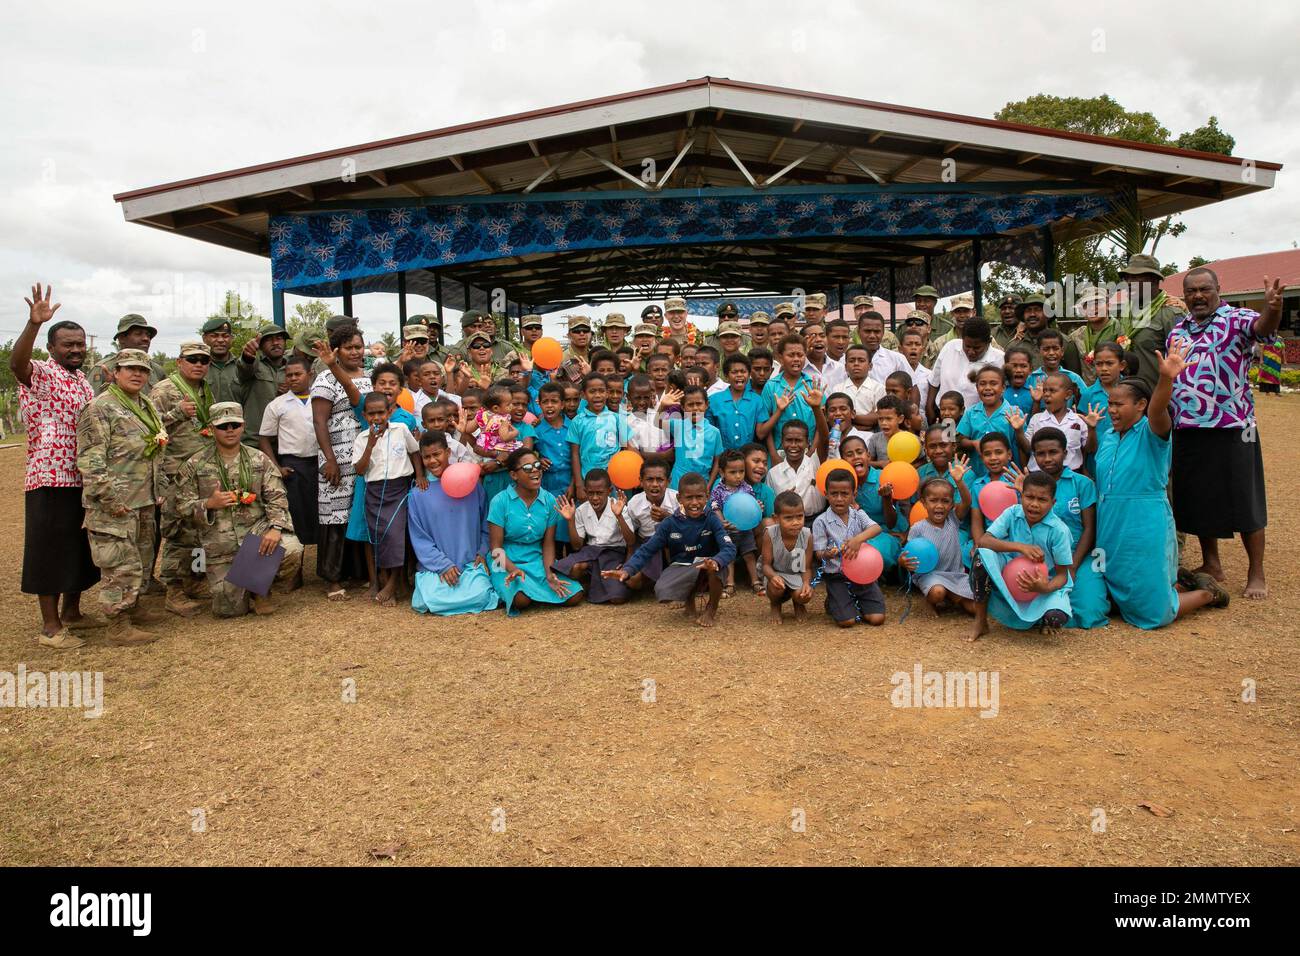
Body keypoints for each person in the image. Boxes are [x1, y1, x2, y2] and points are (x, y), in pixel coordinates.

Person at [1094, 342, 1229, 628]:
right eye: (1110, 404)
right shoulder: (1108, 436)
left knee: (1152, 614)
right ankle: (1173, 586)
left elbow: (1158, 409)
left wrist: (1166, 378)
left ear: (1140, 405)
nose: (1112, 410)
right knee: (1116, 597)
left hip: (1144, 524)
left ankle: (1206, 593)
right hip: (1111, 526)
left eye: (1119, 405)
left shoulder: (1152, 431)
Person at [1169, 269, 1282, 600]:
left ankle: (1256, 572)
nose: (1198, 295)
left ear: (1219, 289)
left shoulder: (1237, 318)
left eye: (1205, 289)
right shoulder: (1178, 329)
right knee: (1199, 498)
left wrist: (1272, 308)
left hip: (1233, 426)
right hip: (1188, 427)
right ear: (1185, 294)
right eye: (1192, 291)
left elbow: (1264, 329)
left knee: (1244, 498)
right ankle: (1212, 563)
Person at [12, 283, 101, 647]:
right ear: (52, 348)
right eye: (68, 344)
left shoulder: (83, 381)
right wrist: (33, 324)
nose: (76, 349)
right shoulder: (41, 374)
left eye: (80, 343)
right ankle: (51, 628)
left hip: (84, 476)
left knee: (80, 546)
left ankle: (73, 612)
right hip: (50, 477)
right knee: (49, 550)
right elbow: (16, 364)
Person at [173, 402, 303, 617]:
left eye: (235, 424)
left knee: (291, 549)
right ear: (212, 429)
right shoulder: (195, 464)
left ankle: (260, 590)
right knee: (228, 611)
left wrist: (275, 528)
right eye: (223, 426)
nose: (230, 430)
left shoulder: (260, 460)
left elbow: (277, 499)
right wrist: (207, 504)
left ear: (243, 426)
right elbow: (181, 508)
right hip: (219, 545)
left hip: (256, 535)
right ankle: (243, 587)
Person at [76, 348, 166, 645]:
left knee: (140, 559)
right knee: (119, 565)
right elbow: (91, 460)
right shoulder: (100, 407)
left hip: (142, 500)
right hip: (115, 503)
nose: (138, 374)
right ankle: (117, 623)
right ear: (115, 372)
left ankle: (134, 608)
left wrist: (159, 490)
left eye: (143, 370)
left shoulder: (145, 404)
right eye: (130, 368)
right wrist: (109, 500)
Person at [605, 472, 735, 628]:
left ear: (707, 496)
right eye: (689, 498)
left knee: (716, 569)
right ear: (679, 499)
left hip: (709, 565)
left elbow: (729, 548)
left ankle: (711, 608)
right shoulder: (670, 523)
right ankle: (689, 599)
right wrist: (627, 570)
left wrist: (716, 561)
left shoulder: (712, 519)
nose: (695, 502)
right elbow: (647, 549)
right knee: (663, 591)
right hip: (682, 566)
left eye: (699, 497)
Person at [150, 340, 216, 616]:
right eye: (193, 360)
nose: (198, 365)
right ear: (179, 363)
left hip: (199, 471)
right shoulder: (164, 390)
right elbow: (147, 428)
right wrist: (176, 413)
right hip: (175, 473)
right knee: (177, 532)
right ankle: (173, 589)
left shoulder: (204, 391)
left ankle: (194, 580)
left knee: (198, 530)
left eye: (203, 360)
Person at [969, 471, 1074, 640]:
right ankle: (980, 621)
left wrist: (1044, 588)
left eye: (1042, 500)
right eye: (1029, 497)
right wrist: (1020, 547)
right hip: (1009, 578)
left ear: (1053, 503)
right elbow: (984, 541)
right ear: (1021, 495)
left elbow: (1062, 575)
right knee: (982, 558)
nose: (1034, 504)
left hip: (1043, 586)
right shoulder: (1012, 513)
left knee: (1056, 619)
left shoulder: (1059, 530)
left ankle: (1041, 619)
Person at [408, 430, 500, 615]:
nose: (432, 461)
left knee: (481, 595)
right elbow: (419, 539)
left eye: (437, 454)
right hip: (436, 568)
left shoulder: (473, 486)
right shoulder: (417, 495)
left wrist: (482, 552)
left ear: (448, 452)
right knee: (431, 599)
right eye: (427, 457)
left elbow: (485, 525)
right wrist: (443, 565)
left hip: (469, 564)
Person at [310, 326, 372, 599]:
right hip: (337, 455)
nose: (356, 352)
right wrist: (330, 459)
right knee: (334, 516)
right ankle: (333, 577)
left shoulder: (370, 377)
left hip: (365, 456)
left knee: (357, 511)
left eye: (359, 346)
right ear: (336, 351)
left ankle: (357, 571)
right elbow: (319, 421)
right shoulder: (325, 378)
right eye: (349, 347)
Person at [487, 448, 584, 615]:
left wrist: (549, 573)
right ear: (513, 475)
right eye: (527, 468)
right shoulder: (500, 501)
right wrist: (512, 569)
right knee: (521, 600)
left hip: (535, 559)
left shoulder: (549, 500)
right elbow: (496, 549)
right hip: (504, 561)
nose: (535, 470)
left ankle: (536, 586)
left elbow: (548, 545)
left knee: (575, 595)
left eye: (537, 465)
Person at [1030, 427, 1109, 629]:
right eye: (1041, 453)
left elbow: (1089, 529)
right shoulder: (1029, 486)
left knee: (1090, 612)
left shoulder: (1082, 484)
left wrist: (1072, 566)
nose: (1047, 459)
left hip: (1079, 556)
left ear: (1065, 453)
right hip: (1042, 557)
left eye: (1053, 452)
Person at [352, 391, 424, 605]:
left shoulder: (401, 429)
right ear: (365, 415)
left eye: (381, 413)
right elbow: (359, 470)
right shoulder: (362, 438)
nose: (377, 418)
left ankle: (393, 582)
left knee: (395, 534)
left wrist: (419, 475)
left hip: (399, 488)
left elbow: (414, 452)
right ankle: (383, 579)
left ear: (389, 412)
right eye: (371, 414)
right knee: (378, 536)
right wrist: (370, 446)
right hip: (374, 491)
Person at [813, 469, 887, 627]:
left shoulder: (858, 515)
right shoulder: (821, 521)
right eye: (834, 494)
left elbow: (876, 528)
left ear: (854, 494)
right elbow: (818, 553)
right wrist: (828, 554)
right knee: (847, 621)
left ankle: (853, 600)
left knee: (877, 619)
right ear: (826, 494)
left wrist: (857, 540)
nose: (839, 499)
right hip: (837, 576)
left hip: (862, 575)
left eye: (844, 494)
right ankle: (835, 600)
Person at [259, 353, 319, 549]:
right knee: (296, 516)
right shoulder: (277, 405)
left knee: (321, 515)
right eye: (289, 375)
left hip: (320, 464)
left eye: (298, 374)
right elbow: (264, 439)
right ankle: (297, 569)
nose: (293, 378)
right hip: (293, 466)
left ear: (310, 374)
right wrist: (277, 467)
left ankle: (324, 568)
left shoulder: (321, 400)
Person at [553, 469, 634, 605]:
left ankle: (598, 584)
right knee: (575, 567)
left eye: (600, 493)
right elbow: (577, 546)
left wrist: (619, 516)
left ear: (609, 491)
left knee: (617, 598)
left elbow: (631, 541)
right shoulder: (581, 510)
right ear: (585, 491)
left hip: (613, 553)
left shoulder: (619, 507)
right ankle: (588, 581)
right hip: (590, 552)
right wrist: (570, 520)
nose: (595, 498)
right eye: (591, 493)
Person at [903, 469, 976, 617]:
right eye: (933, 500)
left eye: (945, 501)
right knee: (937, 593)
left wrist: (959, 481)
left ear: (951, 504)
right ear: (923, 503)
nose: (939, 506)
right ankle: (930, 601)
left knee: (975, 608)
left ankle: (951, 594)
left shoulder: (953, 520)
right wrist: (902, 561)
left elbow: (967, 502)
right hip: (930, 575)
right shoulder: (918, 528)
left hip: (955, 575)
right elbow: (908, 554)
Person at [1012, 372, 1099, 474]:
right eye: (1045, 391)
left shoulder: (1078, 420)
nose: (1047, 394)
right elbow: (1027, 448)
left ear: (1067, 395)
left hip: (1071, 475)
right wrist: (1019, 431)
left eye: (1052, 391)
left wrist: (1092, 429)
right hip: (1039, 475)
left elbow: (1090, 449)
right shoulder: (1036, 419)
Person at [1118, 254, 1181, 391]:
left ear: (1153, 280)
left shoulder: (1171, 313)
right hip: (1130, 397)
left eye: (1135, 277)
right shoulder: (1126, 311)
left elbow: (1182, 362)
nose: (1129, 282)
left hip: (1160, 398)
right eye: (1127, 277)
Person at [758, 334, 825, 459]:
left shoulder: (813, 386)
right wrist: (773, 455)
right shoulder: (771, 386)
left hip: (809, 451)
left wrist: (811, 452)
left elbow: (821, 425)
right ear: (781, 358)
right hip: (780, 452)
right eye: (791, 355)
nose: (796, 359)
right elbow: (765, 428)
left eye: (800, 355)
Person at [927, 317, 1004, 422]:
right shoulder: (950, 347)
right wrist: (929, 408)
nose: (971, 351)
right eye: (967, 346)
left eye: (977, 348)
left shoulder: (1000, 360)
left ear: (988, 342)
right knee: (947, 438)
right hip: (945, 417)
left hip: (977, 421)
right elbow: (934, 381)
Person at [709, 448, 762, 596]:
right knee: (729, 557)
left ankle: (755, 581)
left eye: (741, 471)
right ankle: (730, 583)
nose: (738, 476)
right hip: (727, 530)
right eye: (733, 472)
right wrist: (721, 522)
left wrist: (758, 507)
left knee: (749, 555)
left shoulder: (746, 487)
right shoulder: (718, 490)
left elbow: (751, 505)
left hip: (745, 530)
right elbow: (715, 507)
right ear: (721, 472)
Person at [622, 459, 678, 591]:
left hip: (675, 544)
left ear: (668, 481)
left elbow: (690, 528)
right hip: (648, 546)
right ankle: (655, 578)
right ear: (641, 481)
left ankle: (674, 577)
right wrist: (628, 563)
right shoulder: (635, 503)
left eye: (660, 479)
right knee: (632, 582)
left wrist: (668, 518)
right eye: (649, 479)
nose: (654, 484)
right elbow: (632, 538)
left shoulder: (677, 499)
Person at [762, 491, 815, 622]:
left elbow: (806, 568)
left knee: (804, 596)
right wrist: (773, 577)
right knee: (776, 588)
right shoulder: (770, 534)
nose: (795, 522)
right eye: (788, 518)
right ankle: (775, 605)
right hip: (776, 574)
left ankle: (798, 604)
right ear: (776, 518)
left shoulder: (807, 535)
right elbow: (766, 565)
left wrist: (807, 584)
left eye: (799, 516)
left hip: (796, 575)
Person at [957, 364, 1017, 478]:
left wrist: (1018, 430)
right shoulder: (971, 413)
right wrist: (973, 443)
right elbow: (961, 440)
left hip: (1005, 476)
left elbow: (1020, 445)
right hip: (976, 474)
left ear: (1003, 388)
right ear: (977, 387)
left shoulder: (1013, 413)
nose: (987, 388)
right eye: (982, 384)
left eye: (993, 383)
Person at [236, 322, 289, 447]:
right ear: (260, 346)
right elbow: (244, 368)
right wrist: (247, 356)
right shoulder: (255, 365)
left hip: (284, 442)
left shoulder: (292, 368)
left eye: (279, 338)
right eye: (269, 340)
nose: (275, 343)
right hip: (255, 441)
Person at [568, 373, 622, 491]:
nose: (597, 395)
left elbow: (627, 447)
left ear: (607, 393)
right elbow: (575, 454)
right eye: (592, 391)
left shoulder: (617, 418)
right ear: (583, 395)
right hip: (588, 479)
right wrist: (578, 484)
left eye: (601, 391)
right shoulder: (577, 421)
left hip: (614, 480)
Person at [89, 314, 167, 395]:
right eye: (138, 334)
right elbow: (91, 402)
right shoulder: (103, 368)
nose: (146, 338)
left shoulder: (156, 370)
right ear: (122, 338)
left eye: (148, 335)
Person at [766, 420, 825, 520]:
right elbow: (772, 507)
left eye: (798, 440)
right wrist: (783, 501)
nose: (793, 445)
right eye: (789, 440)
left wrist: (816, 409)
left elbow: (825, 439)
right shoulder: (773, 473)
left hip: (817, 520)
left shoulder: (815, 463)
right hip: (787, 524)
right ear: (782, 442)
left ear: (808, 442)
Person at [668, 385, 723, 491]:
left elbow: (717, 461)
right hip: (678, 481)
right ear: (683, 408)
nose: (695, 408)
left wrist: (709, 484)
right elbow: (658, 422)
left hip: (702, 482)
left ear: (707, 405)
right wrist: (663, 405)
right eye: (690, 405)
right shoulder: (678, 426)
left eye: (699, 404)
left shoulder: (714, 432)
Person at [1068, 286, 1122, 385]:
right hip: (1088, 394)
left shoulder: (1121, 330)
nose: (1092, 308)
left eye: (1097, 303)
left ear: (1108, 305)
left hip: (1118, 392)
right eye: (1086, 305)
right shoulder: (1076, 336)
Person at [201, 317, 242, 404]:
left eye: (225, 336)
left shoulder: (242, 367)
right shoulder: (197, 367)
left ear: (231, 338)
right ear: (204, 339)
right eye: (214, 336)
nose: (220, 340)